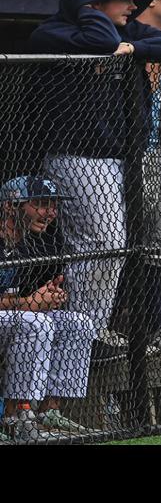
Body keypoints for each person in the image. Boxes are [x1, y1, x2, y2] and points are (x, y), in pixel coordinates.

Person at [25, 0, 161, 363]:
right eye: (123, 1)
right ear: (92, 4)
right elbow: (100, 42)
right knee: (103, 242)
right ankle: (84, 328)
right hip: (76, 154)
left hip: (119, 158)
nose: (133, 6)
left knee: (116, 247)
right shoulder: (53, 31)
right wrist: (93, 15)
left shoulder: (124, 30)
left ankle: (91, 329)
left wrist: (131, 44)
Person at [0, 176, 99, 440]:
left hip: (8, 317)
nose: (51, 213)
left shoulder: (28, 242)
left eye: (53, 205)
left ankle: (48, 413)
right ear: (11, 206)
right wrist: (31, 303)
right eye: (42, 204)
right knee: (36, 322)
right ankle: (14, 418)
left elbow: (11, 299)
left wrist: (48, 297)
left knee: (78, 323)